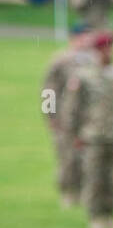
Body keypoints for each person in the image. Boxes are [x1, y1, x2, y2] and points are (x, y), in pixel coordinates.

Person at [65, 31, 113, 228]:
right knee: (95, 178)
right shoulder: (83, 75)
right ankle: (96, 218)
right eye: (104, 48)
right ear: (96, 50)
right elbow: (73, 108)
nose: (108, 51)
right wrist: (75, 134)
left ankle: (109, 216)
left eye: (111, 47)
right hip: (93, 136)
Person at [43, 22, 95, 208]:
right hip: (65, 118)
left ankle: (86, 192)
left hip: (89, 118)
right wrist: (51, 115)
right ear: (73, 39)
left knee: (89, 157)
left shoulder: (94, 60)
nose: (86, 41)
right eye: (83, 37)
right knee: (68, 157)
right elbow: (49, 90)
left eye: (89, 37)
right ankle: (69, 192)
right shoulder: (60, 61)